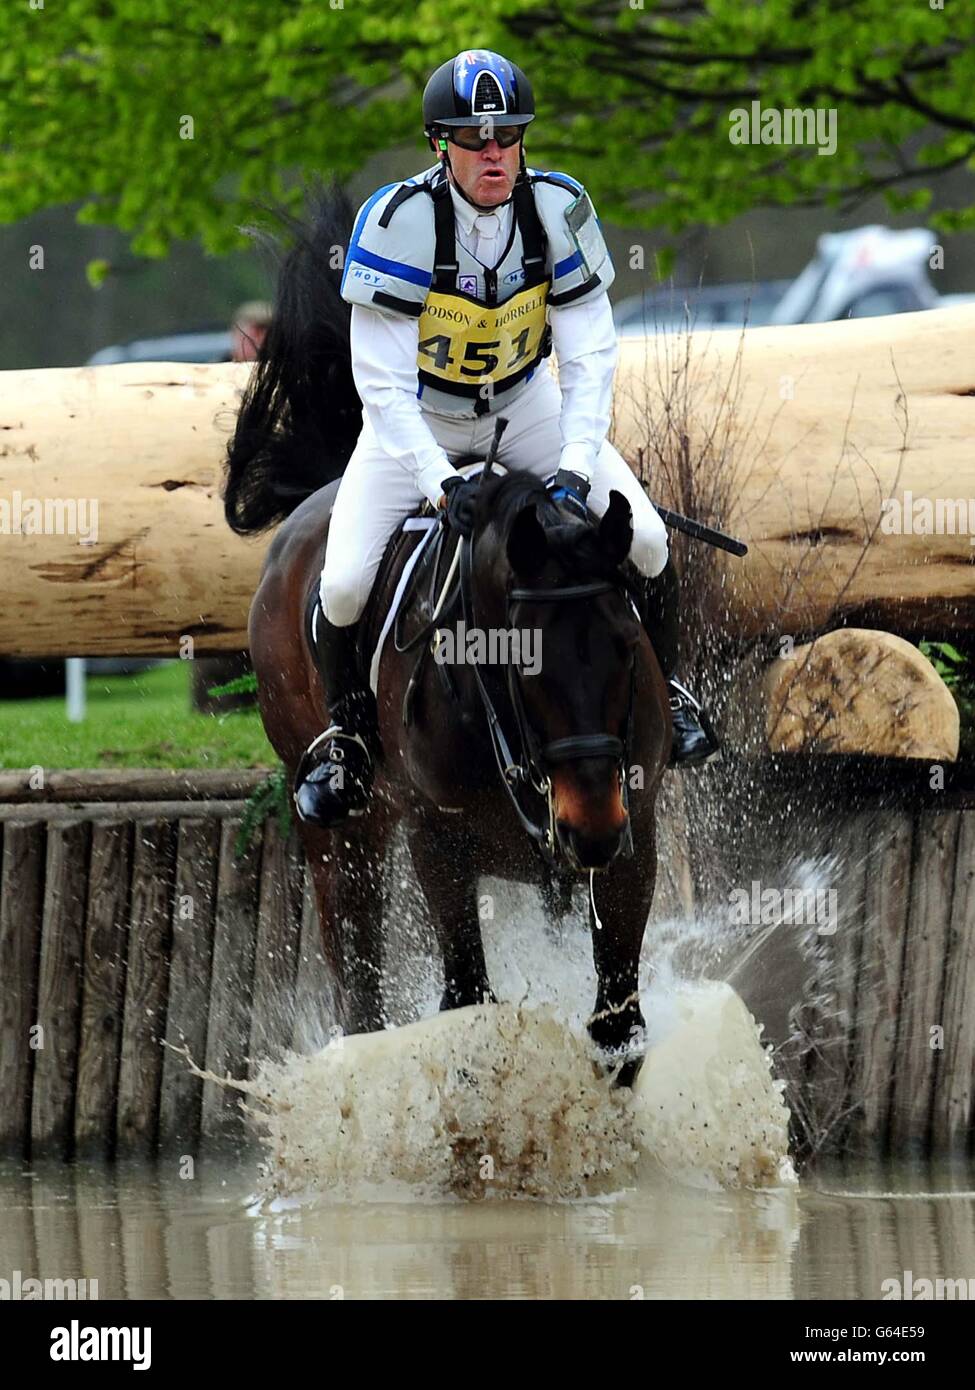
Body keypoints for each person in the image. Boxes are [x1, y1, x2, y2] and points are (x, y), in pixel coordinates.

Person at [295, 48, 718, 827]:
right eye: (472, 138)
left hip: (525, 408)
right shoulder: (396, 222)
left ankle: (674, 695)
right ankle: (348, 738)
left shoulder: (560, 210)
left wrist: (573, 467)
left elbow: (589, 358)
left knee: (650, 543)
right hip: (417, 421)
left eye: (506, 136)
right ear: (439, 145)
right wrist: (438, 481)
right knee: (347, 583)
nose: (492, 153)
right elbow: (381, 385)